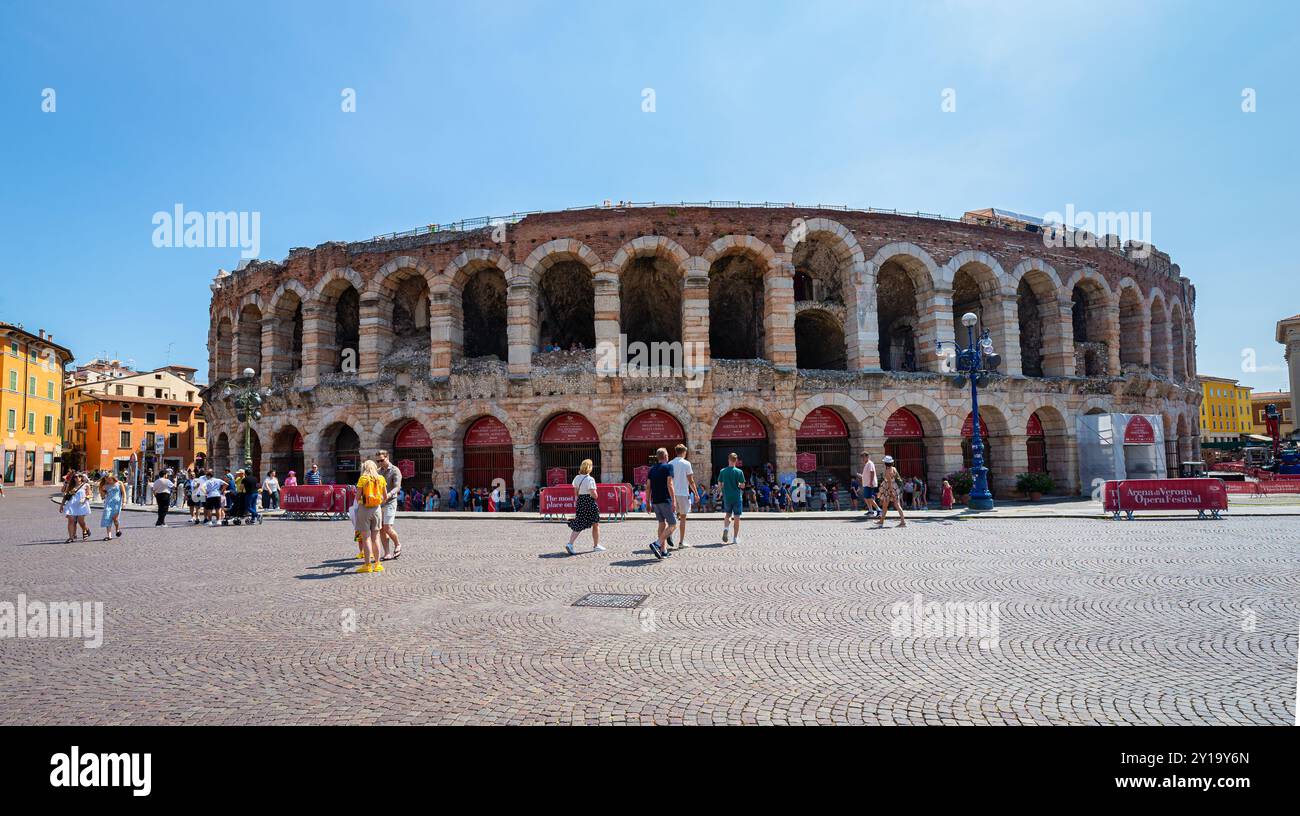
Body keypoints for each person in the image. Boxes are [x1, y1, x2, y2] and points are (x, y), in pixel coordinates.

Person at [563, 458, 604, 555]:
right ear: (589, 468)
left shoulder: (577, 478)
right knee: (595, 523)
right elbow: (594, 494)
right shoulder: (590, 479)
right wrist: (596, 495)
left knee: (579, 522)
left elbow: (575, 492)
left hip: (581, 501)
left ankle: (570, 543)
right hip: (589, 502)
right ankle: (596, 545)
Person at [353, 460, 387, 573]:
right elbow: (385, 497)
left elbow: (357, 497)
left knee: (366, 538)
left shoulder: (363, 479)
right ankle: (377, 564)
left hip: (364, 509)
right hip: (377, 509)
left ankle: (367, 565)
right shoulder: (381, 478)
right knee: (376, 538)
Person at [645, 448, 676, 560]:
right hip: (665, 500)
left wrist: (647, 502)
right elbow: (670, 484)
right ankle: (657, 544)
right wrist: (674, 500)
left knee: (661, 524)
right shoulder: (669, 467)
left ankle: (663, 551)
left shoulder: (651, 470)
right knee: (673, 524)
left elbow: (648, 487)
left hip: (655, 501)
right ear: (666, 456)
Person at [374, 450, 403, 561]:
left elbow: (397, 487)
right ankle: (387, 553)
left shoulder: (395, 470)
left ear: (387, 457)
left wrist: (388, 495)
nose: (380, 463)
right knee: (381, 529)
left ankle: (398, 544)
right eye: (378, 461)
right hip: (379, 503)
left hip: (390, 501)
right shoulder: (377, 471)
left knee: (387, 527)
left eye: (382, 460)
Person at [669, 444, 697, 549]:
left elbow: (669, 480)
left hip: (673, 493)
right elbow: (691, 480)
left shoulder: (670, 463)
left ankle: (669, 534)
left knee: (672, 517)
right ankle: (681, 542)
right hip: (683, 493)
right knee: (683, 518)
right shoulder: (686, 463)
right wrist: (696, 493)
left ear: (676, 452)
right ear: (684, 452)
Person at [716, 452, 746, 544]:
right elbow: (743, 486)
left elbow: (720, 485)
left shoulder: (722, 471)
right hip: (737, 497)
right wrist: (738, 484)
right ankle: (735, 538)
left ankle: (726, 529)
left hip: (727, 497)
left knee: (728, 515)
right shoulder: (739, 472)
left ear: (728, 460)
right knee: (737, 517)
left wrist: (720, 492)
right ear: (736, 461)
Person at [876, 455, 907, 528]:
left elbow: (889, 482)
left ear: (885, 463)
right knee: (897, 505)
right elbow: (896, 478)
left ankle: (882, 521)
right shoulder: (894, 469)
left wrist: (890, 492)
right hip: (895, 488)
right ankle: (902, 522)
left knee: (885, 506)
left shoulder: (887, 471)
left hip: (889, 490)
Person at [61, 473, 92, 542]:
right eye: (75, 477)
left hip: (81, 505)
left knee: (81, 521)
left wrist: (85, 498)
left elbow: (90, 495)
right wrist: (62, 505)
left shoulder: (86, 485)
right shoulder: (71, 486)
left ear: (81, 477)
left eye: (78, 476)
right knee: (71, 520)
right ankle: (71, 537)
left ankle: (85, 529)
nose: (76, 478)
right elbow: (66, 496)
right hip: (71, 505)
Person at [98, 473, 124, 540]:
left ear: (113, 478)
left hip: (117, 503)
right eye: (107, 480)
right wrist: (102, 490)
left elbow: (124, 493)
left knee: (115, 519)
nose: (108, 481)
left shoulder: (119, 483)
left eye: (109, 479)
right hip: (108, 503)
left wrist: (124, 502)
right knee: (107, 518)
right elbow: (103, 496)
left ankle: (117, 530)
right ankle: (109, 536)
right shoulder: (105, 486)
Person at [860, 452, 880, 519]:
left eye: (863, 457)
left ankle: (878, 510)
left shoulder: (870, 463)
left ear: (867, 457)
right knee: (866, 497)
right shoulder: (867, 464)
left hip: (869, 484)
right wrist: (862, 476)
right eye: (862, 457)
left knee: (869, 498)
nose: (862, 458)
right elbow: (867, 474)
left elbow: (872, 472)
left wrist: (871, 482)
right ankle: (871, 510)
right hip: (866, 483)